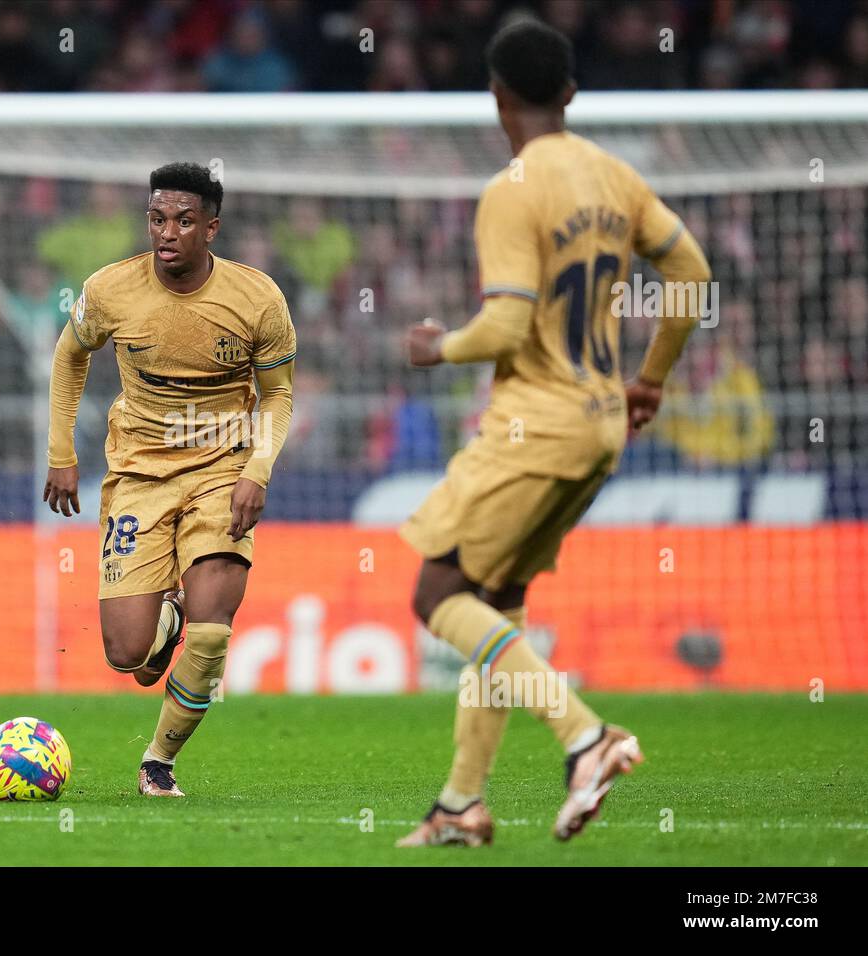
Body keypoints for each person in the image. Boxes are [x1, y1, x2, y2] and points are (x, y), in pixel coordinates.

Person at [397, 20, 711, 845]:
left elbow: (504, 326)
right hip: (602, 423)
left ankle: (586, 737)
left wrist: (440, 347)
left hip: (535, 424)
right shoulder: (615, 177)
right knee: (496, 603)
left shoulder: (512, 187)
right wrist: (650, 380)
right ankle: (462, 805)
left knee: (438, 594)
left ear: (497, 96)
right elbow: (691, 273)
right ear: (570, 92)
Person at [43, 162, 295, 797]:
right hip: (139, 474)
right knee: (128, 657)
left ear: (211, 228)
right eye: (158, 219)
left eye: (184, 221)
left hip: (223, 468)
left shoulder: (257, 299)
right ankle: (166, 619)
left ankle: (158, 763)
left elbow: (279, 394)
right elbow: (70, 354)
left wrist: (257, 471)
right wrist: (60, 452)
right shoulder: (109, 290)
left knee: (213, 632)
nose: (168, 232)